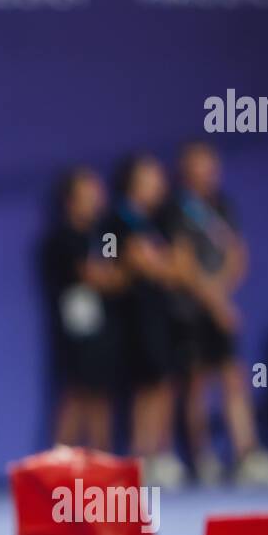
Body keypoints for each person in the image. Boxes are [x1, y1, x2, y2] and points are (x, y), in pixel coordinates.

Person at [165, 142, 268, 485]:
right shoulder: (176, 207)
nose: (207, 172)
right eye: (199, 165)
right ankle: (203, 460)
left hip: (219, 304)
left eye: (211, 165)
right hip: (189, 311)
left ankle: (246, 454)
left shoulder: (223, 205)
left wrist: (222, 292)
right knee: (195, 382)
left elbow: (237, 252)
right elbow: (182, 263)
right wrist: (216, 301)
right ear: (186, 170)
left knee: (234, 376)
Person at [109, 154, 187, 486]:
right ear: (133, 183)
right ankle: (140, 457)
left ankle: (160, 452)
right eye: (151, 177)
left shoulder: (157, 222)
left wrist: (164, 265)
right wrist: (163, 265)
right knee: (145, 385)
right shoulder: (119, 220)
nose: (159, 183)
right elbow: (140, 264)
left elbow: (179, 270)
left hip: (161, 315)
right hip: (133, 317)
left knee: (164, 381)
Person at [39, 167, 126, 450]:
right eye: (88, 194)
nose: (96, 199)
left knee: (102, 395)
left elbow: (110, 270)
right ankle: (59, 462)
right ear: (70, 200)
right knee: (76, 393)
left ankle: (100, 460)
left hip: (104, 329)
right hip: (77, 331)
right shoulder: (63, 238)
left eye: (98, 193)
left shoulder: (101, 235)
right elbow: (96, 276)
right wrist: (133, 269)